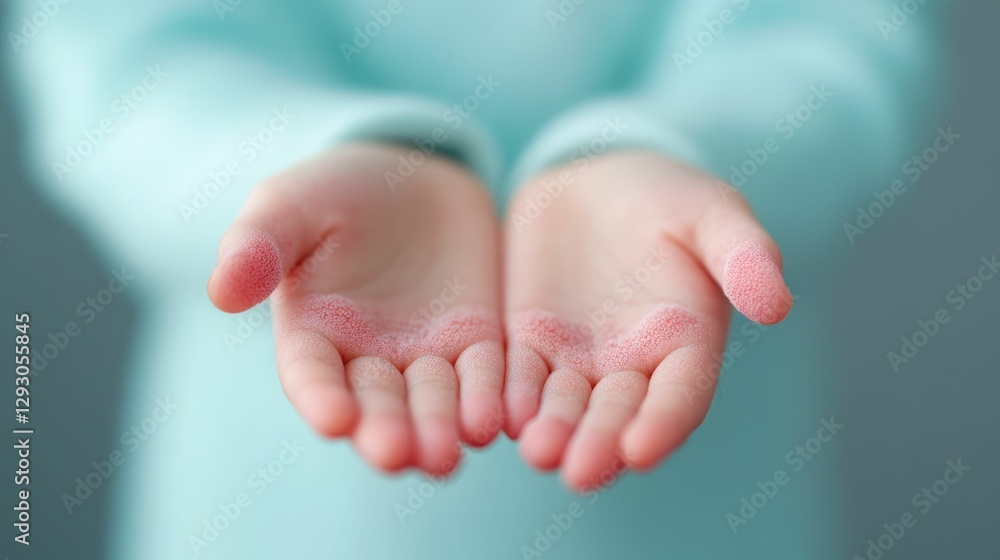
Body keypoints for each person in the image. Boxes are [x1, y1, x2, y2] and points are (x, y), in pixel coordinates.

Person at [7, 0, 943, 558]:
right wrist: (327, 155)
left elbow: (831, 32)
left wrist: (677, 150)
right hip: (271, 510)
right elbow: (119, 54)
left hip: (689, 508)